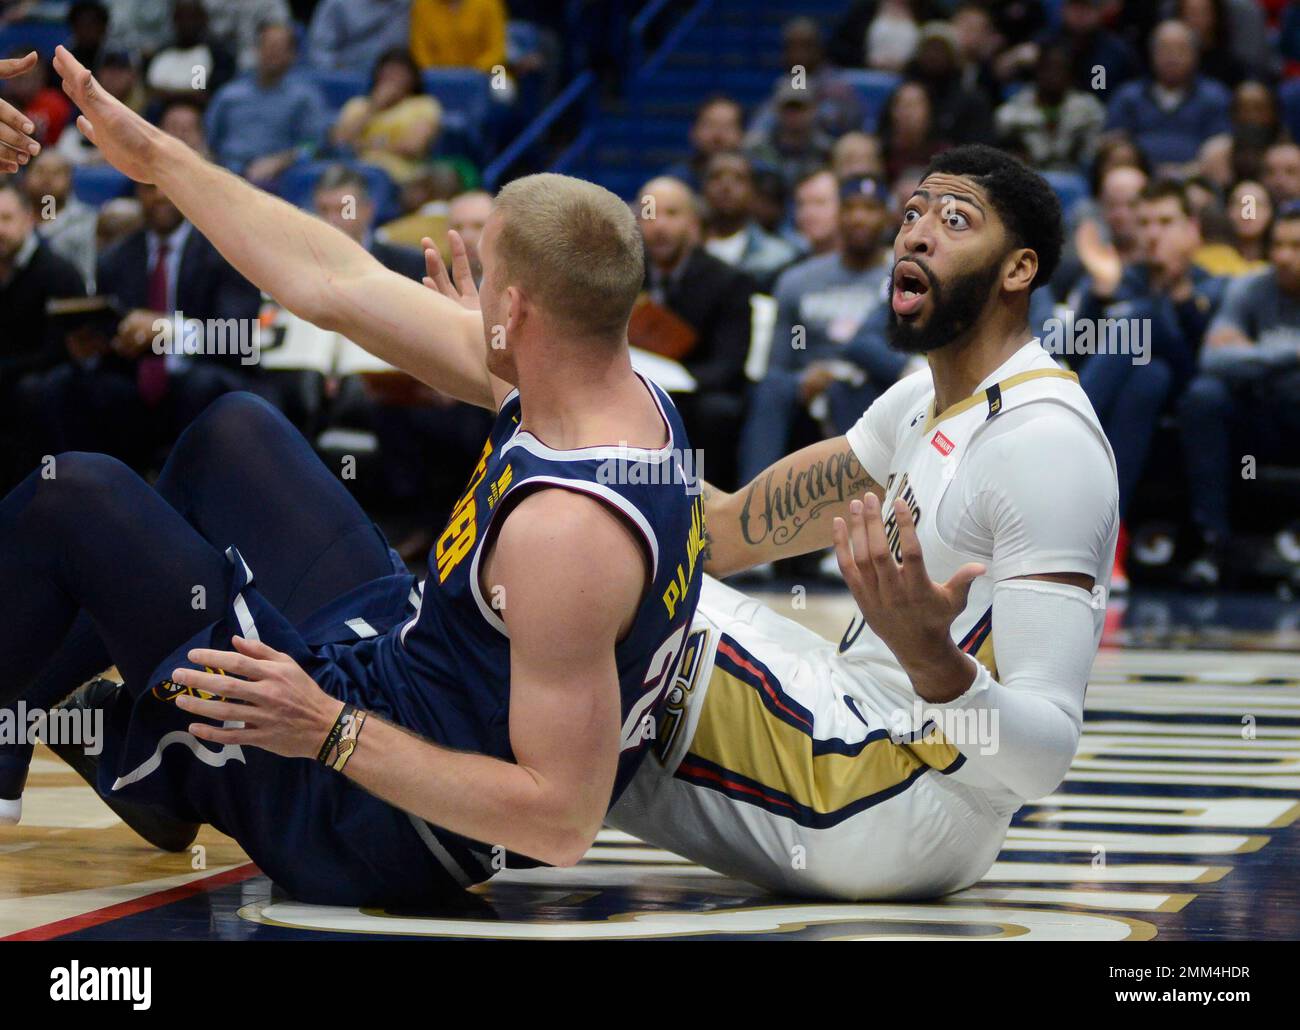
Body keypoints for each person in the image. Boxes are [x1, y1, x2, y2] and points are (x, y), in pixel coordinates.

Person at [0, 48, 704, 911]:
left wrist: (327, 728)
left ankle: (102, 738)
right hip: (408, 671)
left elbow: (560, 823)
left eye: (488, 281)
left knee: (75, 494)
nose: (470, 299)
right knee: (233, 432)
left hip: (375, 820)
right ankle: (118, 754)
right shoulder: (612, 390)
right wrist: (160, 159)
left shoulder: (565, 531)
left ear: (517, 311)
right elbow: (333, 280)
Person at [612, 145, 1119, 900]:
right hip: (859, 732)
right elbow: (719, 531)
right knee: (603, 545)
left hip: (892, 796)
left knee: (589, 574)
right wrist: (539, 386)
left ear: (1019, 270)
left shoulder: (1045, 442)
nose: (917, 234)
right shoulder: (918, 401)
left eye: (955, 220)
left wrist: (931, 658)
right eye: (912, 213)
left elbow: (1045, 760)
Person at [1177, 202, 1300, 588]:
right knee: (1204, 396)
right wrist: (1290, 353)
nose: (1283, 256)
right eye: (1277, 245)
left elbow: (1235, 355)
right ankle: (1212, 542)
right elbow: (1214, 358)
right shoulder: (1250, 287)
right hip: (1260, 415)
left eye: (1296, 246)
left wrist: (1251, 351)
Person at [331, 48, 441, 185]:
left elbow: (413, 146)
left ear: (413, 78)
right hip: (354, 173)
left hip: (402, 178)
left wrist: (365, 145)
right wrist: (374, 107)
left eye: (399, 73)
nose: (393, 79)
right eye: (387, 73)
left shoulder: (424, 105)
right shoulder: (358, 105)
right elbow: (339, 141)